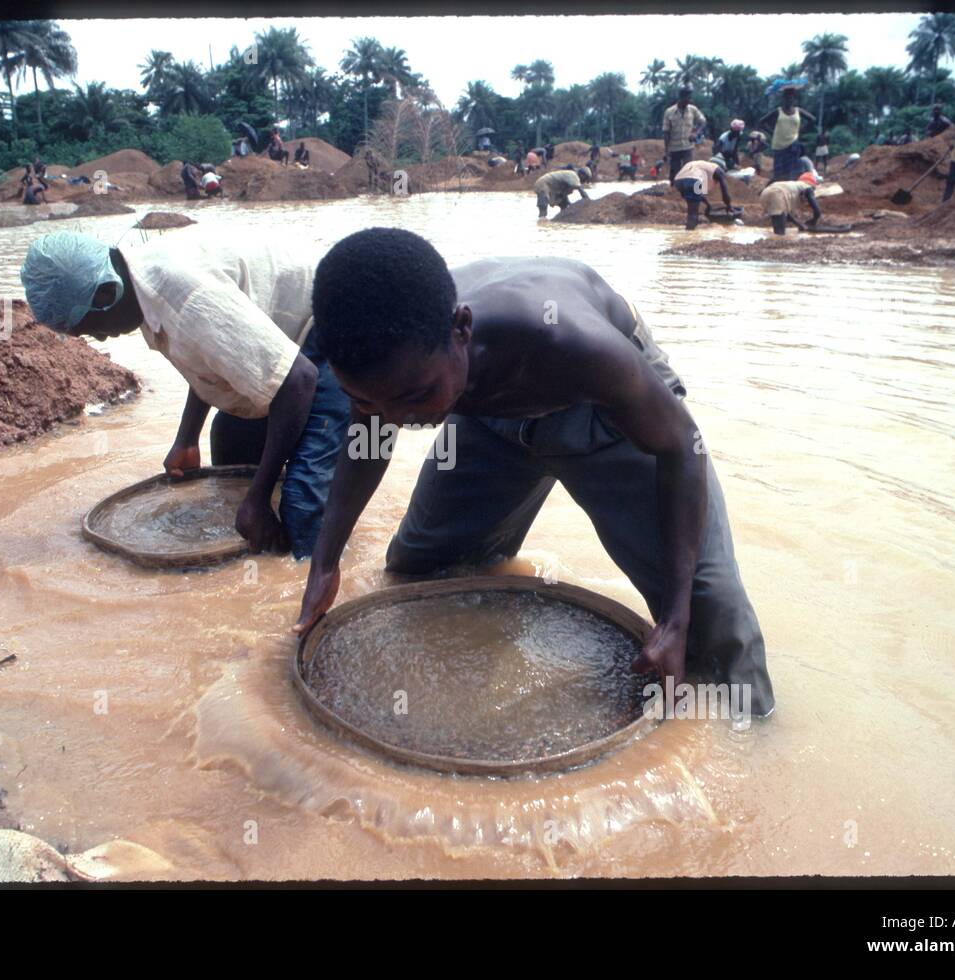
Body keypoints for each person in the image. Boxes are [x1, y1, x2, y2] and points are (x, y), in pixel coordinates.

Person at [293, 227, 776, 719]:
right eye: (367, 400)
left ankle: (755, 738)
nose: (396, 418)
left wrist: (674, 620)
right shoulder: (386, 362)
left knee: (710, 614)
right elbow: (370, 439)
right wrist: (325, 562)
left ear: (462, 329)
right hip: (481, 413)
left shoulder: (573, 342)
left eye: (414, 398)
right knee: (419, 571)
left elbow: (680, 447)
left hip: (600, 411)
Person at [19, 231, 351, 558]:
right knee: (232, 443)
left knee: (302, 507)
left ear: (107, 294)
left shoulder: (185, 300)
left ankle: (312, 570)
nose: (102, 340)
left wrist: (259, 498)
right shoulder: (141, 288)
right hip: (289, 339)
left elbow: (299, 380)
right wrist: (187, 440)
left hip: (332, 324)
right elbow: (209, 359)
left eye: (93, 328)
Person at [759, 86, 815, 184]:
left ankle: (790, 194)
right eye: (786, 97)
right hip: (778, 146)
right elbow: (761, 122)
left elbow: (812, 120)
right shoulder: (778, 111)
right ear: (783, 99)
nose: (789, 99)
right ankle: (768, 190)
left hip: (793, 145)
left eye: (791, 97)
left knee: (792, 172)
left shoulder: (798, 111)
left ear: (793, 99)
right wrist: (772, 133)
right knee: (779, 174)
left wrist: (800, 131)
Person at [673, 155, 733, 230]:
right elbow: (724, 190)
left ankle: (689, 231)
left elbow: (700, 194)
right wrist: (728, 205)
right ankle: (690, 237)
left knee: (691, 209)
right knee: (693, 214)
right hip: (693, 180)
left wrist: (708, 205)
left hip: (678, 181)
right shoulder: (718, 169)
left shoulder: (702, 169)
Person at [662, 86, 707, 178]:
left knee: (689, 171)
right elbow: (666, 132)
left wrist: (696, 133)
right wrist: (666, 151)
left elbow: (703, 122)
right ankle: (674, 191)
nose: (689, 100)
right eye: (688, 97)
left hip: (688, 147)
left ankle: (687, 191)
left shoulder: (693, 110)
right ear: (682, 97)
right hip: (674, 148)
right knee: (675, 173)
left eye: (690, 97)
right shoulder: (669, 112)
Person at [759, 170, 821, 235]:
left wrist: (799, 224)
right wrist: (814, 220)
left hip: (764, 194)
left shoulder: (793, 187)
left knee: (777, 218)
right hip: (778, 194)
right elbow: (817, 211)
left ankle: (774, 240)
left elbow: (786, 214)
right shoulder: (808, 187)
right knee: (780, 233)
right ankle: (779, 241)